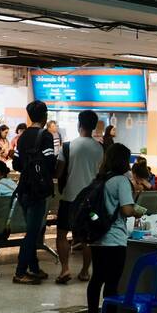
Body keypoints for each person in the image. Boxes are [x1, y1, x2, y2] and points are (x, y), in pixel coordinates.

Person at [86, 143, 146, 313]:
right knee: (112, 282)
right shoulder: (121, 181)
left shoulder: (100, 179)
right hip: (114, 239)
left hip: (97, 237)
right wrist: (138, 211)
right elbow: (126, 210)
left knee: (96, 279)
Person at [55, 110, 103, 284]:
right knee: (88, 238)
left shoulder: (67, 147)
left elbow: (58, 172)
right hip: (91, 202)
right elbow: (101, 173)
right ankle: (84, 271)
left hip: (69, 199)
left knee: (61, 234)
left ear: (79, 124)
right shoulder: (100, 148)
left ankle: (65, 269)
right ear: (93, 126)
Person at [11, 101, 57, 285]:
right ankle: (20, 272)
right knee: (32, 233)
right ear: (45, 116)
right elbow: (50, 162)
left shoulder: (21, 137)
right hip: (38, 190)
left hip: (23, 189)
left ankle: (35, 269)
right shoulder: (45, 136)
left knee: (32, 230)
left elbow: (15, 164)